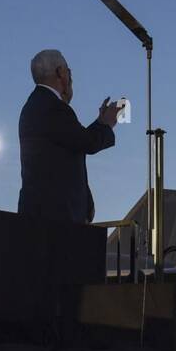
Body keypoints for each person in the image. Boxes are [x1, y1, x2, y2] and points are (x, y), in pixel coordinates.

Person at [17, 49, 120, 225]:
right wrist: (107, 123)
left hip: (43, 214)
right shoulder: (52, 106)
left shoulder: (38, 104)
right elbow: (87, 142)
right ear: (60, 72)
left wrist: (99, 122)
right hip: (56, 217)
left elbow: (74, 140)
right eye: (68, 71)